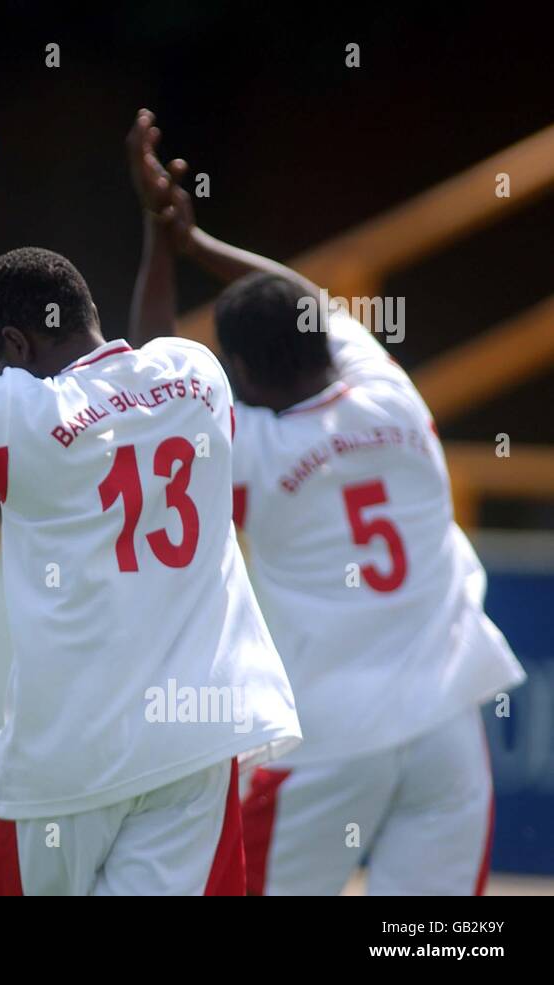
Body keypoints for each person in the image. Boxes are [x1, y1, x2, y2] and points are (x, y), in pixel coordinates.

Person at [0, 123, 300, 895]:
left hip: (65, 763)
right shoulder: (197, 378)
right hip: (194, 747)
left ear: (12, 345)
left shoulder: (25, 421)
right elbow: (120, 363)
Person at [130, 109, 525, 895]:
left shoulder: (252, 454)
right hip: (447, 718)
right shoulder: (392, 396)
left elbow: (154, 378)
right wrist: (201, 244)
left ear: (238, 366)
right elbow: (309, 298)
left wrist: (159, 245)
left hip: (324, 743)